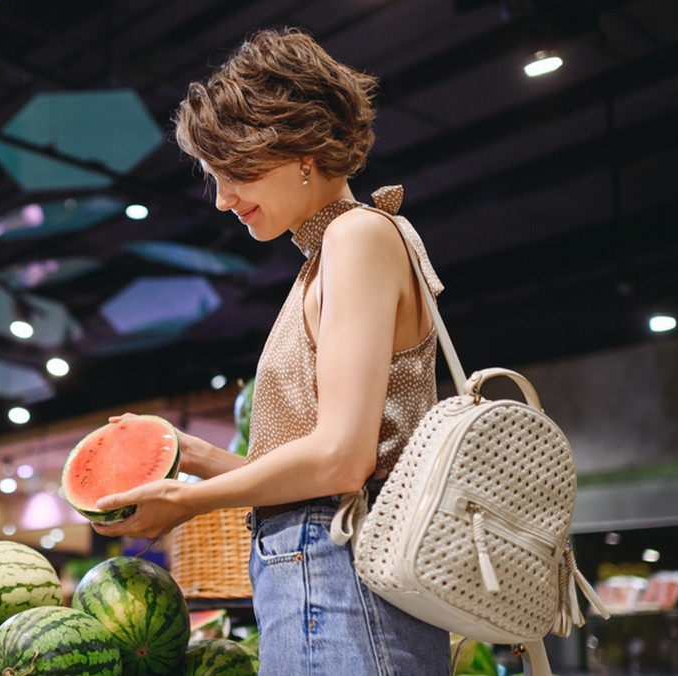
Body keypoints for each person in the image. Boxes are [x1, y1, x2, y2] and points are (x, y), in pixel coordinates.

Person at [92, 27, 451, 675]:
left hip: (341, 578)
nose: (224, 199)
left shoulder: (357, 237)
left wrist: (189, 503)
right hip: (327, 575)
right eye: (214, 179)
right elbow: (314, 470)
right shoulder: (327, 257)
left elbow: (343, 463)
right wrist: (191, 454)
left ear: (294, 147)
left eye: (230, 173)